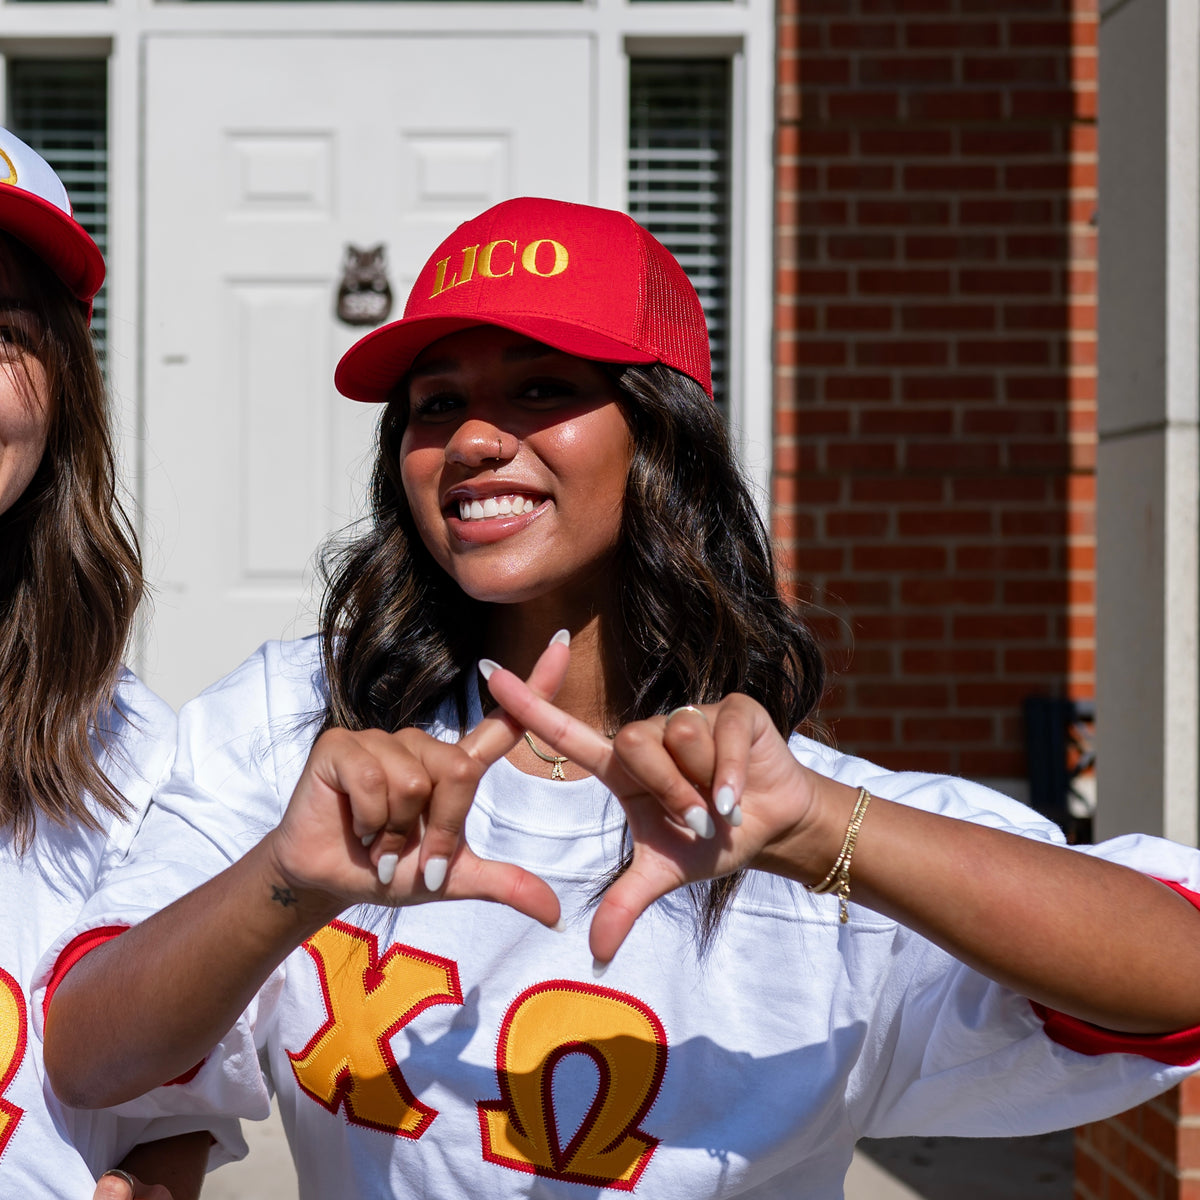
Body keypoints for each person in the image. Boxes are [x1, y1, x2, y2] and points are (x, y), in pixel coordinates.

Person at [39, 197, 1200, 1199]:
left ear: (663, 439)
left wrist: (815, 834)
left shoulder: (786, 808)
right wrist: (287, 881)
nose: (476, 439)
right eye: (435, 404)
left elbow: (1175, 975)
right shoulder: (305, 726)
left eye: (542, 388)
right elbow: (91, 1057)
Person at [0, 127, 243, 1199]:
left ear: (60, 392)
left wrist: (157, 1177)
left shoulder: (133, 752)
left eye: (1, 330)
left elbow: (168, 1121)